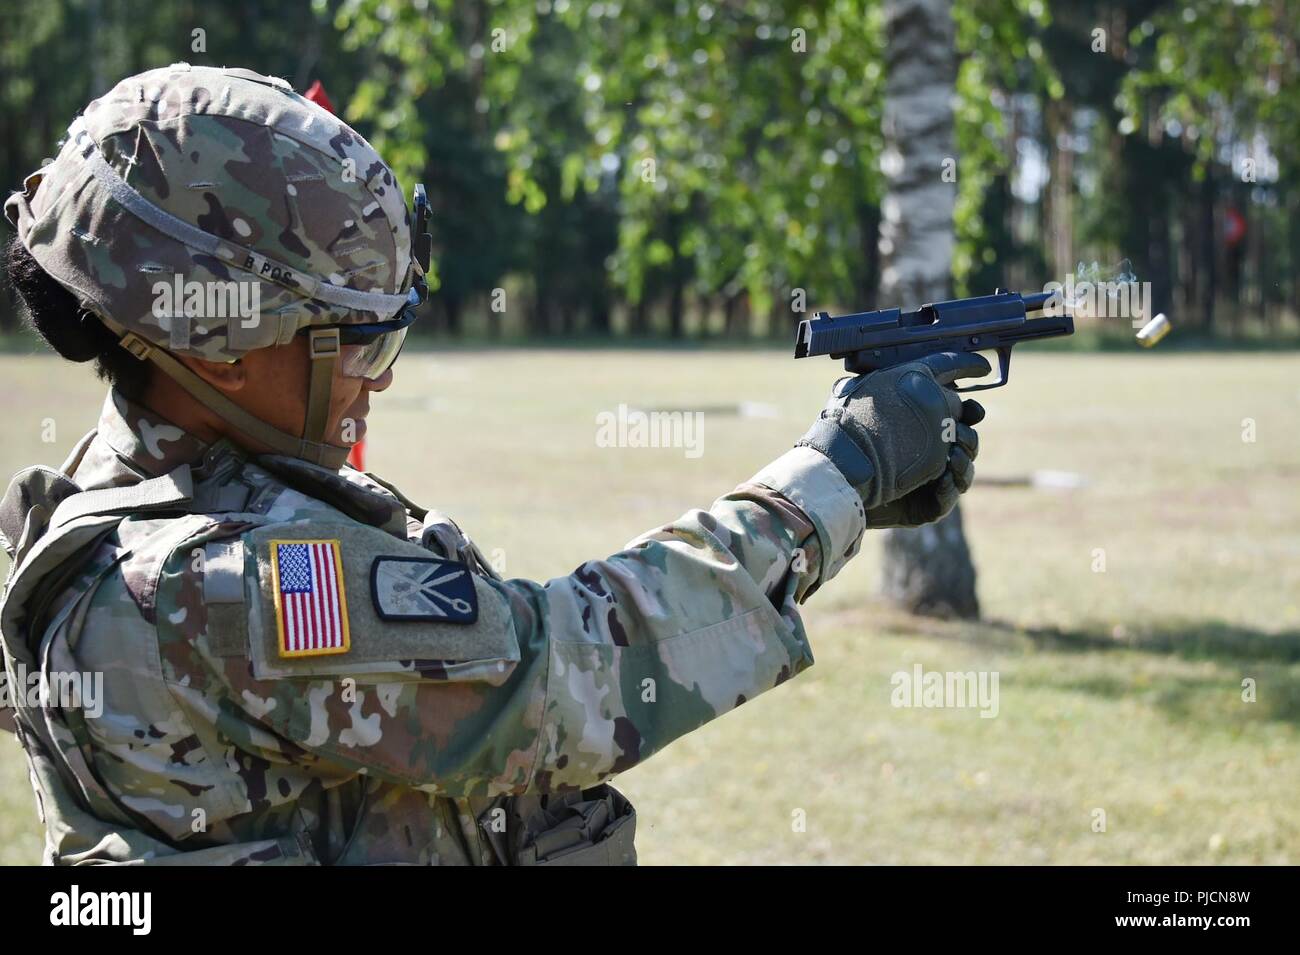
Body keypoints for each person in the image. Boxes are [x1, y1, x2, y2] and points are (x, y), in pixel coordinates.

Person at [0, 64, 986, 865]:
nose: (376, 384)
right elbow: (566, 675)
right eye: (361, 345)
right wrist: (835, 477)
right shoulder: (220, 585)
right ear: (221, 339)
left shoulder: (106, 496)